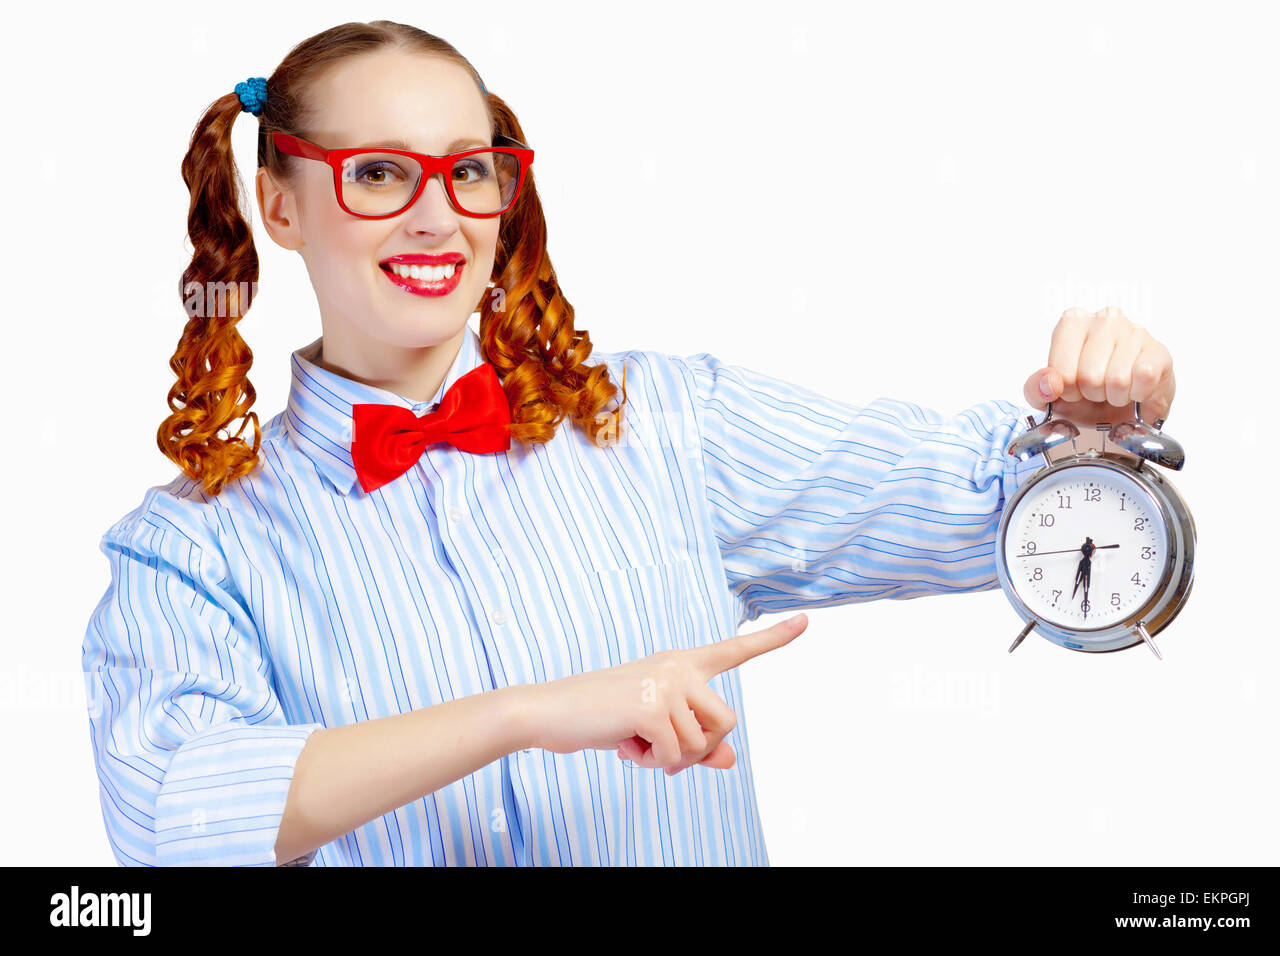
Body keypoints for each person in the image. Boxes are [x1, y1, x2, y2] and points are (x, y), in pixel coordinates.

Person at [80, 20, 1177, 867]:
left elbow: (990, 502)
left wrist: (1100, 422)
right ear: (278, 203)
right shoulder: (192, 550)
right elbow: (176, 807)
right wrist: (525, 714)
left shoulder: (663, 429)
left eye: (469, 169)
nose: (436, 216)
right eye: (377, 172)